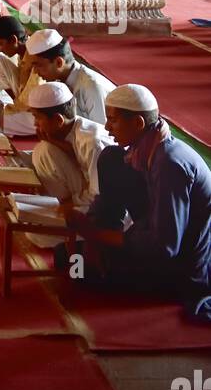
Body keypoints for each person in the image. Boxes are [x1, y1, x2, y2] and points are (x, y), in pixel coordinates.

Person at [70, 84, 211, 321]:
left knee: (77, 268)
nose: (107, 127)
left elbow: (164, 247)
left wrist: (96, 235)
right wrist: (95, 237)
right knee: (110, 159)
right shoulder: (146, 149)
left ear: (138, 123)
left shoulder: (170, 164)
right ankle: (98, 252)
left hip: (181, 266)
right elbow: (110, 199)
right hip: (151, 239)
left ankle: (99, 263)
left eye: (113, 120)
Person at [28, 81, 114, 210]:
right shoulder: (68, 129)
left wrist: (71, 204)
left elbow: (99, 194)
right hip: (87, 186)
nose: (35, 124)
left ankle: (60, 208)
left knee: (43, 152)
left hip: (107, 205)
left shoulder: (92, 143)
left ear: (58, 120)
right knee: (38, 152)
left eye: (37, 118)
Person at [26, 29, 114, 124]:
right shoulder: (59, 81)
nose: (35, 71)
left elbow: (103, 133)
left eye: (38, 65)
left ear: (59, 62)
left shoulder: (91, 86)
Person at [0, 16, 37, 136]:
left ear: (13, 39)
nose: (0, 49)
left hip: (35, 116)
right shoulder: (24, 51)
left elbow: (28, 103)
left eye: (1, 44)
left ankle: (11, 122)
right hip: (21, 103)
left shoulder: (35, 59)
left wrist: (12, 111)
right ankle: (5, 107)